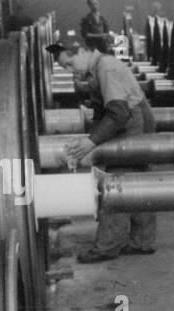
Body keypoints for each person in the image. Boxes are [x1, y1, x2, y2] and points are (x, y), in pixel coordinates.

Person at [46, 41, 157, 262]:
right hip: (136, 119)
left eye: (69, 63)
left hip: (133, 122)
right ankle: (142, 241)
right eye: (65, 68)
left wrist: (91, 142)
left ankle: (107, 246)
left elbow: (118, 113)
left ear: (83, 52)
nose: (70, 70)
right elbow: (103, 111)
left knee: (117, 184)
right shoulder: (96, 69)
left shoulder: (106, 67)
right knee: (138, 181)